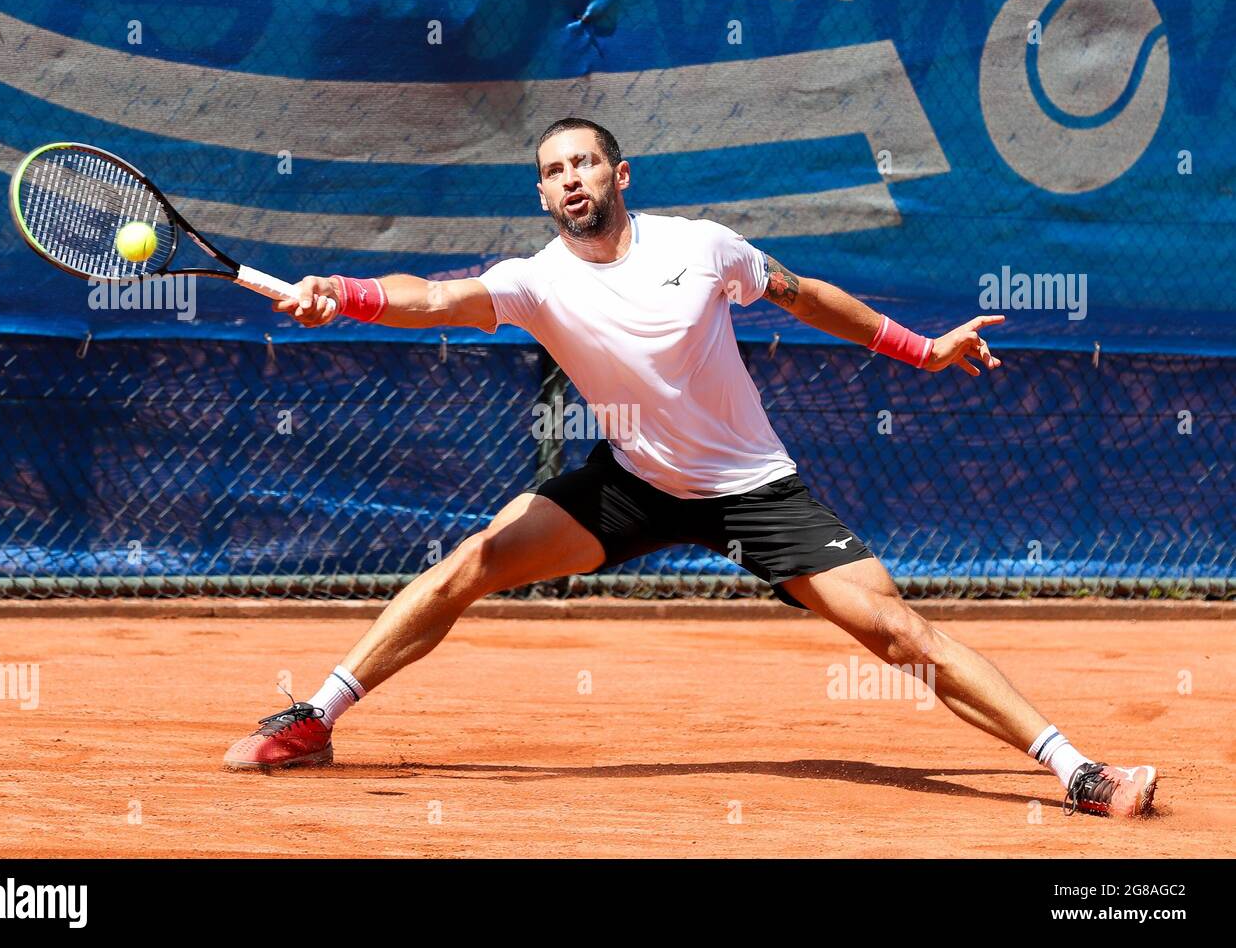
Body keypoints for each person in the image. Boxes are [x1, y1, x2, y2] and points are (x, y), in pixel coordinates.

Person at [223, 117, 1156, 818]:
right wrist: (341, 294)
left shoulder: (702, 247)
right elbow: (432, 295)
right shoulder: (535, 279)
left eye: (583, 161)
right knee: (471, 563)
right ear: (543, 197)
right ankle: (313, 718)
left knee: (897, 634)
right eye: (552, 172)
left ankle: (1080, 771)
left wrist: (921, 348)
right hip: (632, 482)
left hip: (752, 489)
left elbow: (806, 296)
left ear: (619, 174)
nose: (569, 179)